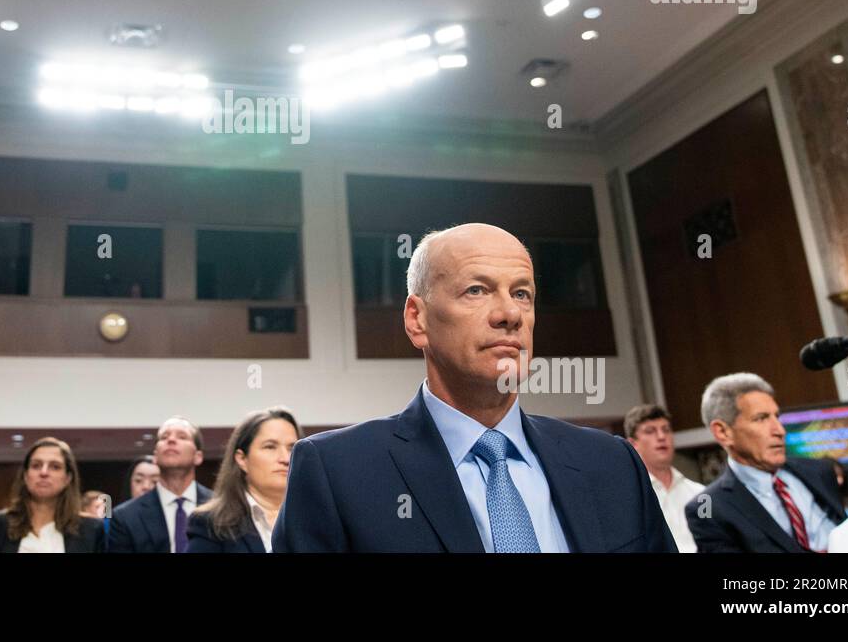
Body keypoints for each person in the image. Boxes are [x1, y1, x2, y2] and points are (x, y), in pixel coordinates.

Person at [273, 223, 675, 552]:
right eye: (476, 290)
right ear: (417, 320)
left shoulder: (611, 462)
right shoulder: (337, 471)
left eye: (522, 293)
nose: (509, 314)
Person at [687, 373, 847, 552]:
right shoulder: (709, 509)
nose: (780, 430)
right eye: (761, 418)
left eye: (777, 417)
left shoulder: (820, 470)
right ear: (723, 432)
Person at [187, 407, 301, 553]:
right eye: (270, 447)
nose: (285, 458)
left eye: (292, 448)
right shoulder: (210, 523)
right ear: (242, 459)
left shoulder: (318, 518)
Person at [0, 438, 105, 552]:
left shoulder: (91, 529)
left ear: (68, 478)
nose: (44, 472)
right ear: (26, 476)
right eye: (36, 465)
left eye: (55, 467)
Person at [108, 417, 213, 552]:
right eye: (164, 437)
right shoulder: (125, 517)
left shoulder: (222, 508)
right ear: (156, 457)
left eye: (182, 437)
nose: (171, 440)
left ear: (198, 456)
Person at [624, 403, 704, 552]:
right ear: (633, 444)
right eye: (650, 431)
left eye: (666, 430)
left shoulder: (700, 493)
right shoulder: (629, 499)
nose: (661, 437)